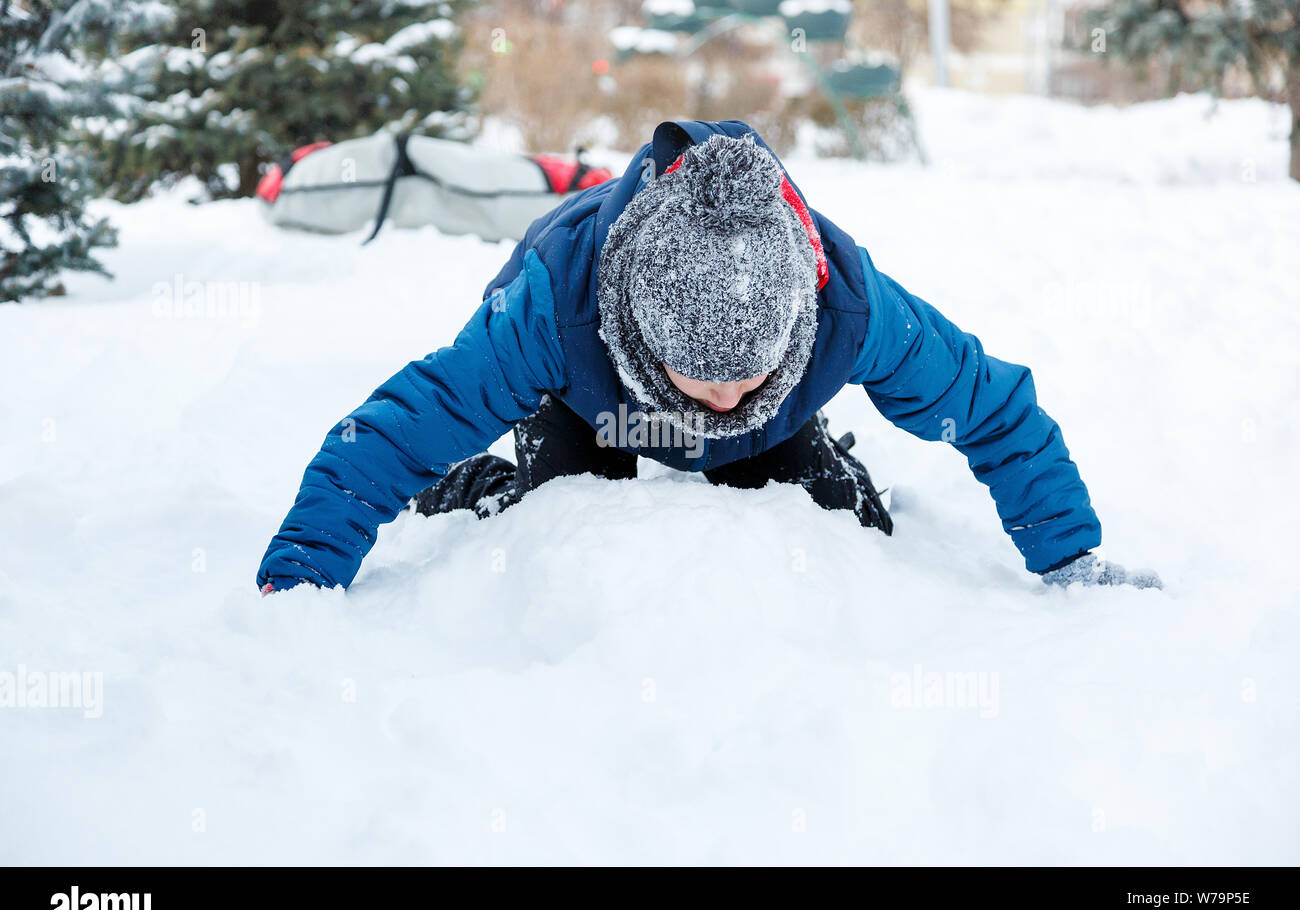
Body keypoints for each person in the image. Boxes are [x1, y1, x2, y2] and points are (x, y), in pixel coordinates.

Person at [256, 122, 1159, 594]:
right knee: (560, 522)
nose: (725, 399)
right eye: (706, 378)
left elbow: (992, 406)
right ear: (646, 329)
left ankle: (818, 449)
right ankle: (481, 488)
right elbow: (407, 422)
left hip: (784, 410)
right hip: (592, 402)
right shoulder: (552, 304)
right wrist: (298, 583)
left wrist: (1069, 560)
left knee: (855, 534)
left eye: (748, 376)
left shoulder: (844, 300)